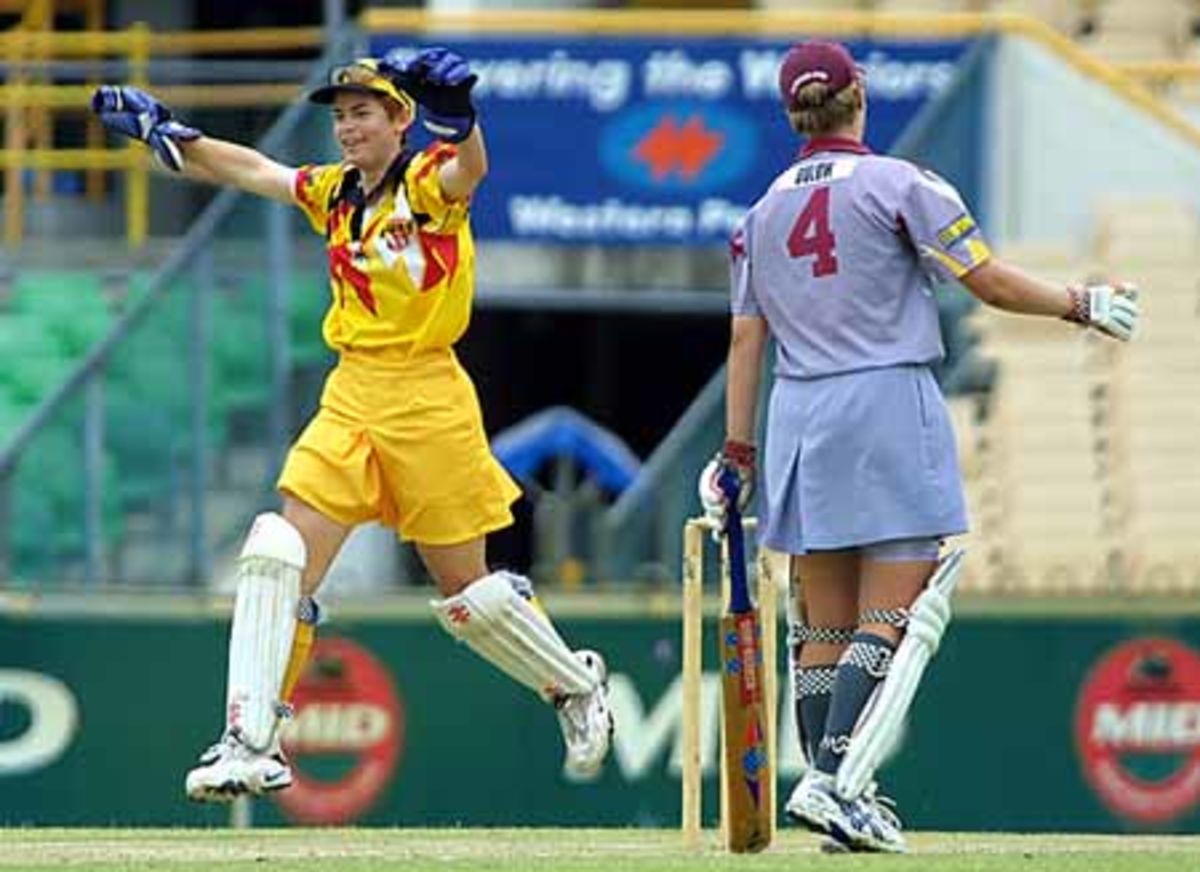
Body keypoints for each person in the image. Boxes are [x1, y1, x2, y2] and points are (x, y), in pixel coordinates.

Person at [90, 48, 614, 802]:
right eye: (339, 117)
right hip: (353, 391)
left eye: (362, 113)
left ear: (401, 118)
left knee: (468, 594)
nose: (346, 129)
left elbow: (472, 172)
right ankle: (250, 740)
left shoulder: (428, 182)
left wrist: (461, 119)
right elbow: (254, 172)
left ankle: (573, 686)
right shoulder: (334, 193)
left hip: (429, 393)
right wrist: (168, 133)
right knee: (280, 553)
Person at [698, 40, 1139, 853]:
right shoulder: (903, 184)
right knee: (896, 616)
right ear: (859, 93)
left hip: (798, 415)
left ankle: (841, 802)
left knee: (821, 633)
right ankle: (834, 786)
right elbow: (988, 280)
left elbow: (744, 340)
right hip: (885, 398)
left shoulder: (757, 215)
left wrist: (738, 453)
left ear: (791, 113)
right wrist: (1080, 302)